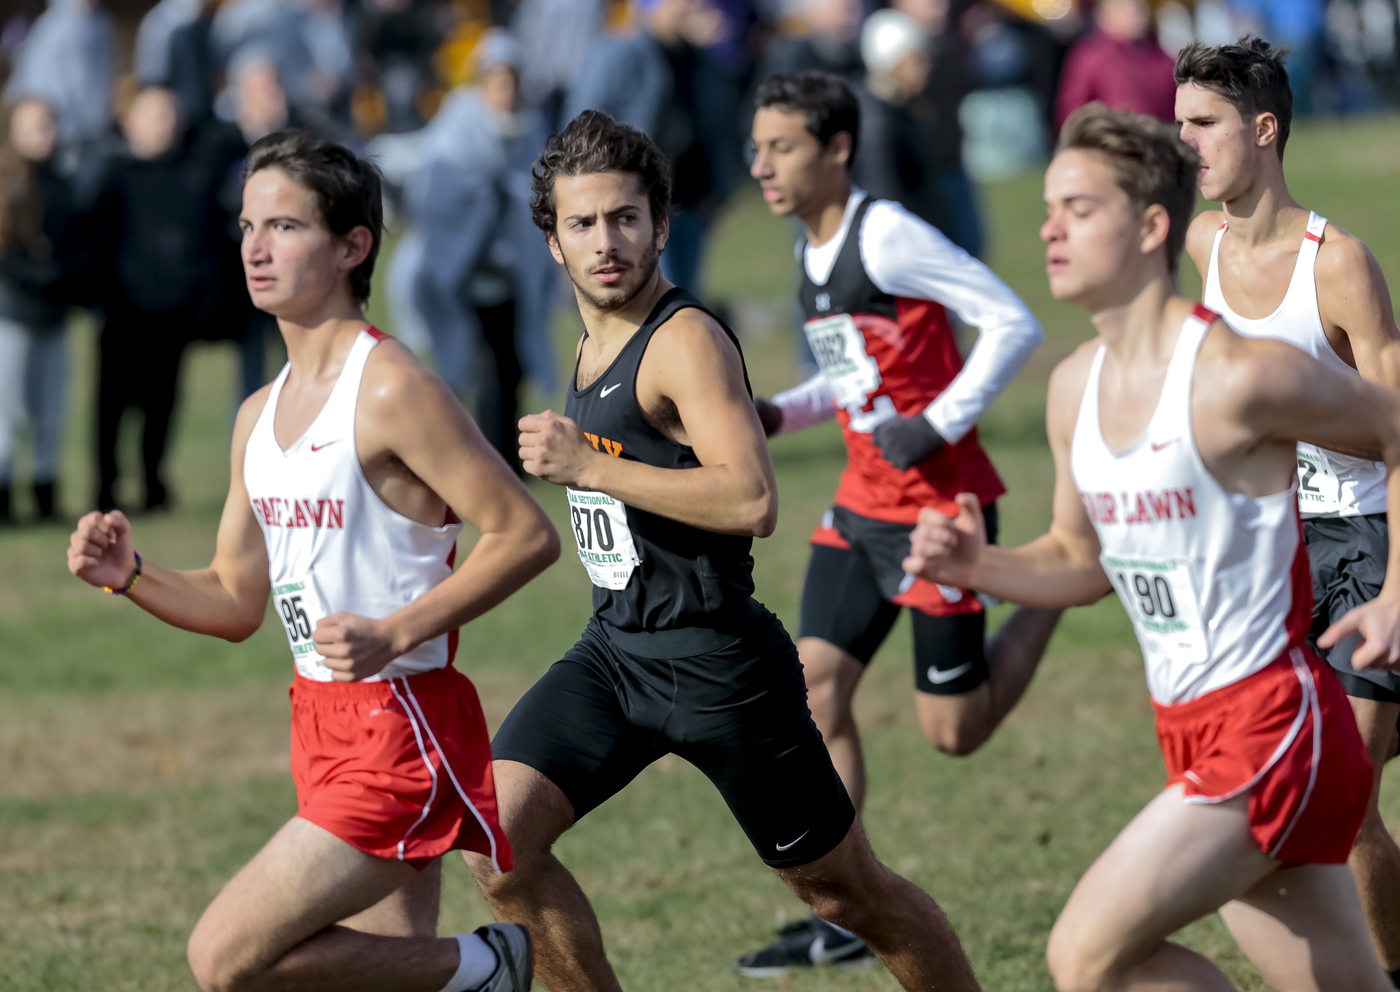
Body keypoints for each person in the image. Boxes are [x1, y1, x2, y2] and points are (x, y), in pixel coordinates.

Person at [464, 108, 982, 992]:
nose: (606, 242)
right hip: (616, 653)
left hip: (718, 665)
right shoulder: (593, 339)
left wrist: (588, 461)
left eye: (625, 218)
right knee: (497, 841)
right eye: (582, 223)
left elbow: (751, 498)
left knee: (844, 892)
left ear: (661, 225)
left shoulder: (686, 340)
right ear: (552, 242)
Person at [906, 101, 1397, 992]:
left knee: (1088, 956)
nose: (1050, 230)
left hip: (1274, 728)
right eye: (1051, 209)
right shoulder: (1072, 390)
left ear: (1152, 225)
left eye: (1080, 209)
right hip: (1189, 729)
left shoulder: (1238, 376)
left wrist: (1399, 592)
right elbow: (1078, 558)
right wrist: (978, 568)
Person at [66, 128, 557, 992]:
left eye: (285, 227)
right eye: (249, 225)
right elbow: (235, 599)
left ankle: (493, 963)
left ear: (352, 246)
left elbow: (524, 533)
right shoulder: (257, 415)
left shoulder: (392, 387)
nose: (255, 247)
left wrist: (394, 629)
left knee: (223, 959)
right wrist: (134, 577)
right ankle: (473, 975)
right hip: (320, 724)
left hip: (403, 723)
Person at [735, 70, 1060, 974]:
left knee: (952, 733)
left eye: (782, 147)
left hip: (938, 515)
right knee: (815, 690)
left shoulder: (887, 235)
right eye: (757, 147)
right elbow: (853, 383)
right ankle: (847, 908)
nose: (761, 165)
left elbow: (1011, 321)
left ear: (838, 150)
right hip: (861, 507)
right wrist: (779, 413)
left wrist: (939, 424)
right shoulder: (808, 248)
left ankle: (1052, 590)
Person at [1176, 37, 1400, 985]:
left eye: (1203, 124)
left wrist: (1395, 592)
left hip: (1365, 547)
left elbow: (1397, 436)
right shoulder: (1204, 245)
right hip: (1272, 556)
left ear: (1263, 130)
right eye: (1178, 122)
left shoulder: (1340, 264)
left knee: (1344, 811)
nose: (1182, 142)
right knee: (1297, 806)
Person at [405, 29, 556, 472]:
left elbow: (538, 190)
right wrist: (485, 204)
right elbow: (432, 195)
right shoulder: (455, 131)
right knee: (472, 370)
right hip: (464, 276)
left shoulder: (530, 131)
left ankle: (510, 461)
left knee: (511, 369)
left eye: (513, 82)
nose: (506, 93)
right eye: (498, 82)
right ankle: (469, 462)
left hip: (511, 277)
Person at [89, 86, 243, 512]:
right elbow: (94, 243)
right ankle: (105, 488)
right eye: (153, 114)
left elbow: (211, 242)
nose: (163, 123)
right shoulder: (113, 175)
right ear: (130, 122)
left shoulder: (193, 173)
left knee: (162, 404)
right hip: (122, 313)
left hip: (174, 312)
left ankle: (153, 482)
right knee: (111, 405)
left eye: (169, 114)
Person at [566, 0, 739, 294]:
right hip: (638, 201)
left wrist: (719, 189)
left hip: (690, 200)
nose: (694, 6)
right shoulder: (618, 52)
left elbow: (719, 126)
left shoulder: (702, 60)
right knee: (654, 299)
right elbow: (581, 124)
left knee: (684, 299)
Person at [0, 96, 86, 524]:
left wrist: (65, 274)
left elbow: (79, 243)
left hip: (55, 316)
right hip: (13, 315)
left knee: (52, 409)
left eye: (49, 125)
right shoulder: (6, 183)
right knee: (8, 411)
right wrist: (37, 275)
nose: (44, 134)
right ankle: (4, 498)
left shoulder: (63, 183)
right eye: (34, 125)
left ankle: (45, 494)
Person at [1054, 0, 1177, 130]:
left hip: (1158, 143)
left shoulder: (1163, 58)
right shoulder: (1089, 57)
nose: (1133, 11)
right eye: (1122, 6)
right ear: (1103, 15)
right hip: (1110, 145)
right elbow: (1071, 113)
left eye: (1138, 4)